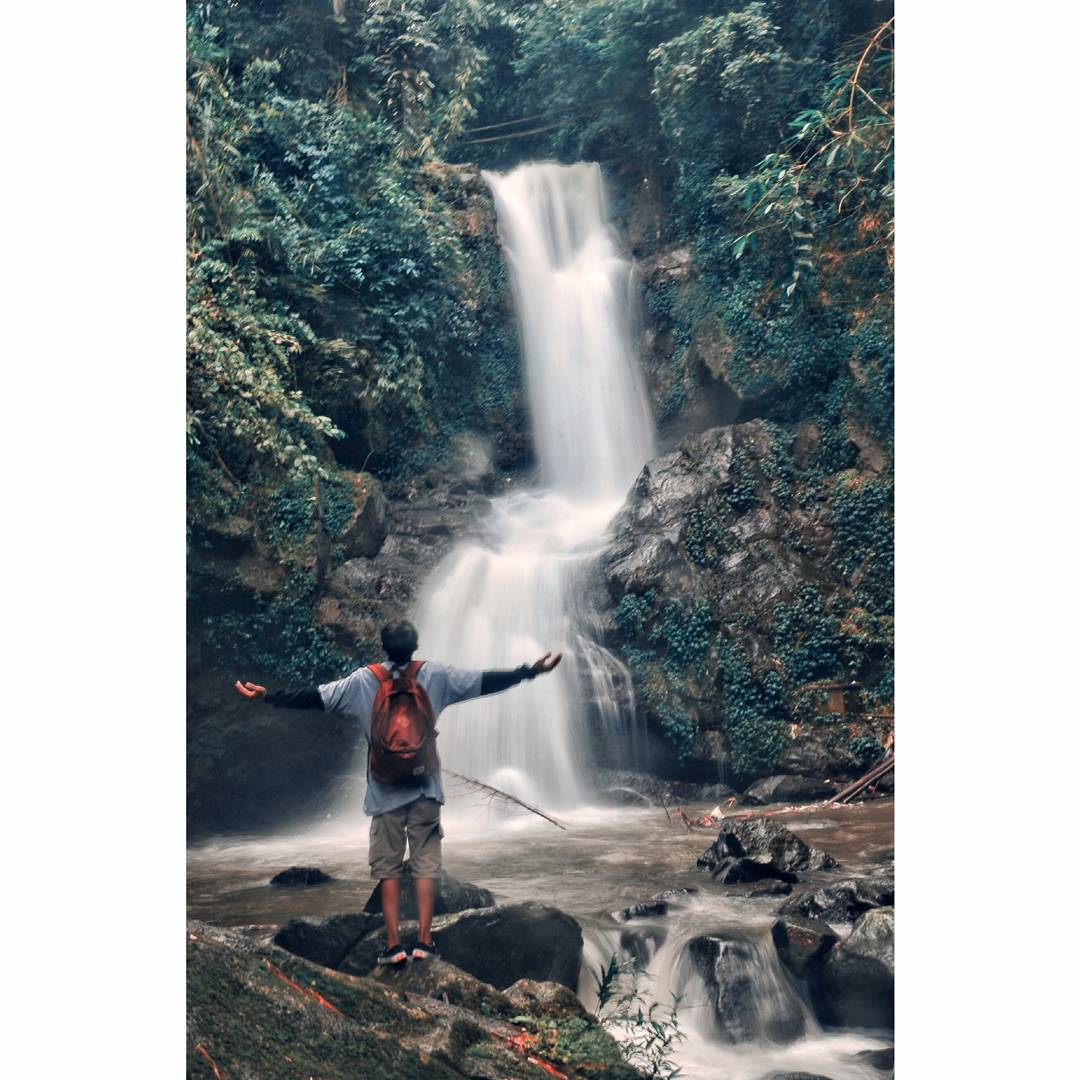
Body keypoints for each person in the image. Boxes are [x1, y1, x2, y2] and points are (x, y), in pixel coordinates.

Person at [235, 618, 562, 967]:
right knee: (425, 868)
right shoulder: (435, 676)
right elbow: (484, 682)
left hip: (383, 791)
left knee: (388, 870)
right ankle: (424, 940)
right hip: (426, 789)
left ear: (384, 646)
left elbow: (314, 697)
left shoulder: (362, 681)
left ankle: (392, 946)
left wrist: (269, 696)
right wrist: (530, 671)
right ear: (416, 646)